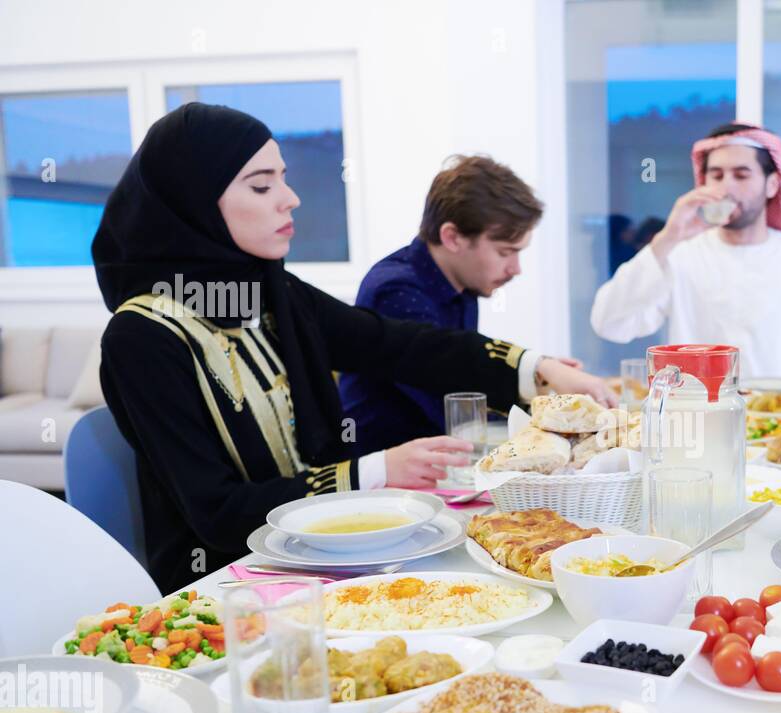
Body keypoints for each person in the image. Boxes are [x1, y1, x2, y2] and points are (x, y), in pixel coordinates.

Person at [93, 104, 611, 593]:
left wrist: (537, 368)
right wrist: (378, 469)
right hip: (227, 586)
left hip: (331, 550)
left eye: (284, 178)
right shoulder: (142, 338)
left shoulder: (273, 294)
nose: (289, 198)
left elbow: (400, 344)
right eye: (261, 185)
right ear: (194, 201)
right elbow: (218, 513)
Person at [338, 155, 609, 453]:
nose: (516, 268)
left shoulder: (462, 280)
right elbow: (455, 404)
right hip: (390, 476)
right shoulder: (395, 291)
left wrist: (540, 379)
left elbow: (467, 369)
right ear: (453, 237)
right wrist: (537, 387)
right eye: (506, 252)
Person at [589, 122, 781, 378]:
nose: (726, 186)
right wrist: (667, 238)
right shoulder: (681, 254)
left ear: (772, 185)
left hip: (780, 417)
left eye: (741, 175)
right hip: (694, 417)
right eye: (716, 175)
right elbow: (610, 323)